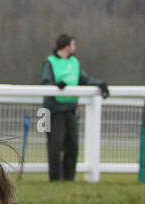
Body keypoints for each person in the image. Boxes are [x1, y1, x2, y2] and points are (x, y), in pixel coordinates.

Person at [39, 33, 109, 181]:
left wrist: (100, 83)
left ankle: (69, 178)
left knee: (73, 145)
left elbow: (84, 79)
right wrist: (56, 85)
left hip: (70, 109)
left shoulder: (74, 62)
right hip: (54, 110)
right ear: (66, 46)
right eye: (73, 44)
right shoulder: (49, 62)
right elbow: (46, 82)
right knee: (55, 146)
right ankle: (55, 179)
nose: (75, 47)